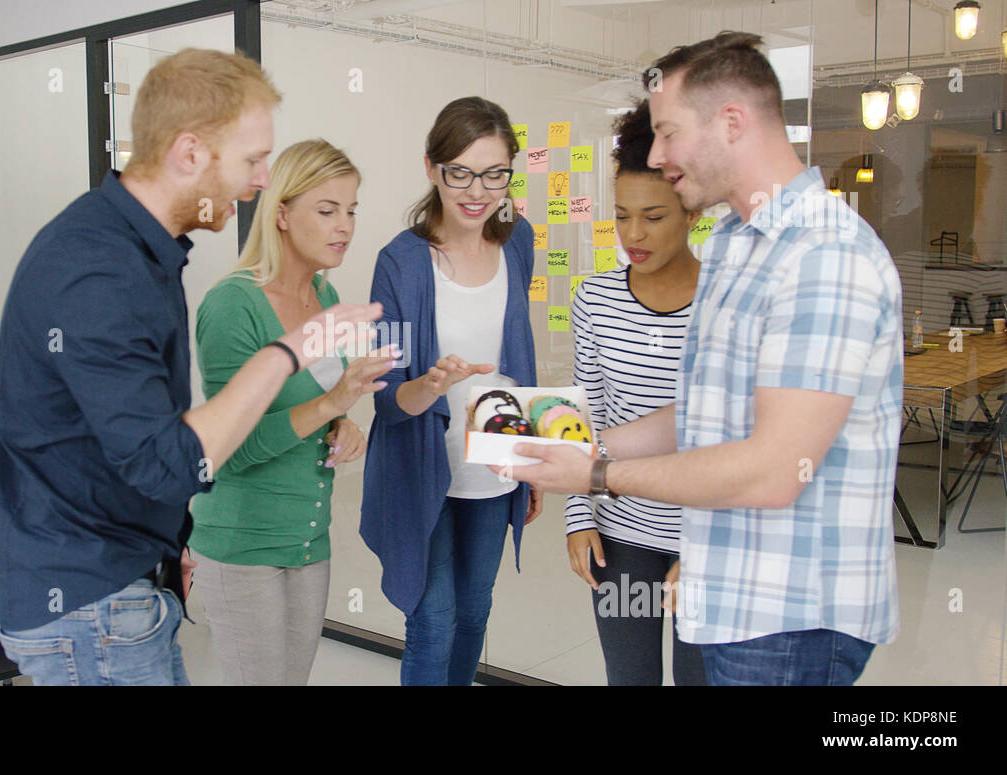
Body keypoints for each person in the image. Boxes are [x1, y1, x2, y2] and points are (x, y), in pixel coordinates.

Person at [499, 32, 901, 686]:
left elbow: (772, 472)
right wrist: (568, 446)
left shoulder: (823, 256)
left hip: (788, 614)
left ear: (731, 123)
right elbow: (703, 415)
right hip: (734, 591)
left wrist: (599, 473)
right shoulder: (740, 248)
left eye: (668, 132)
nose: (657, 153)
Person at [0, 49, 383, 686]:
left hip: (123, 588)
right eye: (253, 161)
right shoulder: (100, 269)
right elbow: (165, 458)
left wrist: (167, 546)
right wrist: (289, 352)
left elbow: (127, 440)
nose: (261, 181)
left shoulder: (140, 253)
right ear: (191, 153)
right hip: (91, 604)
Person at [189, 139, 394, 685]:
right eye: (327, 211)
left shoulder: (326, 299)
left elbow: (318, 403)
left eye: (351, 211)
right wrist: (333, 402)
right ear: (281, 213)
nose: (344, 226)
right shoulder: (233, 305)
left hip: (307, 537)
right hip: (242, 542)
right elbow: (230, 447)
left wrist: (342, 424)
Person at [362, 96, 542, 686]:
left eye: (494, 174)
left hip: (494, 461)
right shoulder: (402, 262)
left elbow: (515, 361)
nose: (477, 190)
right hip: (423, 466)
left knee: (474, 611)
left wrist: (532, 462)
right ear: (431, 168)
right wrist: (430, 383)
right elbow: (388, 400)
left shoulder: (518, 242)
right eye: (460, 172)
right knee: (433, 618)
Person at [565, 100, 706, 686]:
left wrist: (708, 548)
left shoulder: (729, 301)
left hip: (710, 533)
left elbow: (739, 433)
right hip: (622, 535)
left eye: (653, 217)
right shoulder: (594, 300)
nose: (634, 235)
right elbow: (585, 416)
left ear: (691, 212)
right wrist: (578, 517)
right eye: (622, 217)